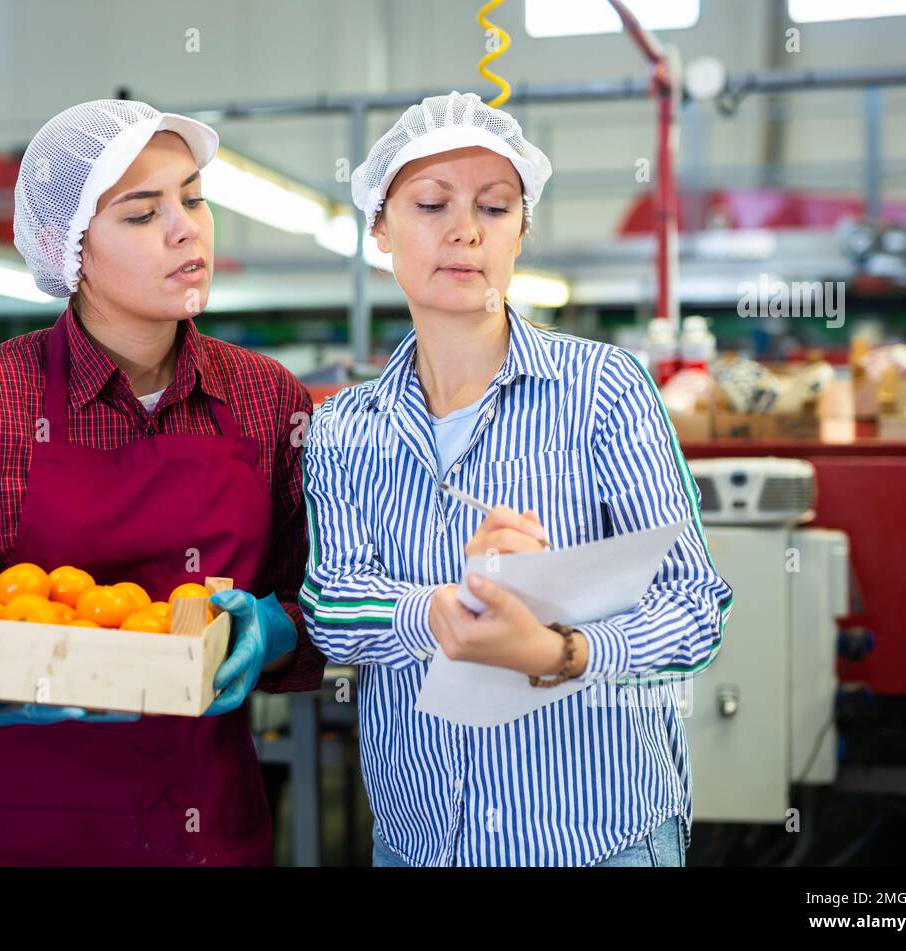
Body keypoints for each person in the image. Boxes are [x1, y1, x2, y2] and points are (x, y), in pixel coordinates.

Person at [0, 99, 324, 866]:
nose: (186, 227)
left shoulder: (267, 400)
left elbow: (315, 598)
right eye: (140, 213)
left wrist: (277, 632)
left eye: (193, 198)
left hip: (194, 821)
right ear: (72, 248)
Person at [300, 91, 733, 867]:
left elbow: (696, 610)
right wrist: (440, 611)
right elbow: (331, 605)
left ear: (520, 234)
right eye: (432, 203)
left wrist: (556, 650)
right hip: (423, 838)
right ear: (379, 229)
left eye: (495, 209)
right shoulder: (344, 427)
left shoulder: (604, 389)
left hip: (596, 836)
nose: (465, 230)